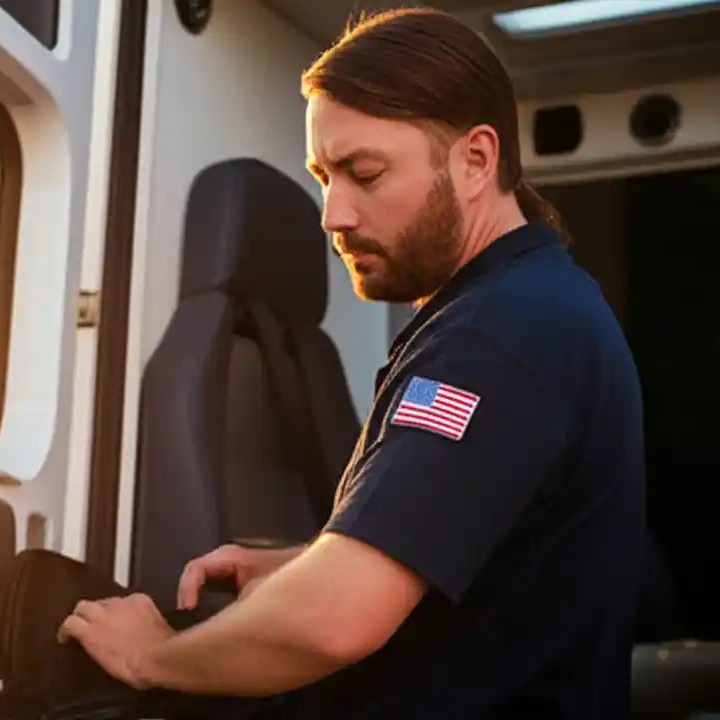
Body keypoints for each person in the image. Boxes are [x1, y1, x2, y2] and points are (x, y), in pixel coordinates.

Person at [57, 7, 647, 718]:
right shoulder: (529, 305)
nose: (333, 213)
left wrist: (150, 656)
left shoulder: (498, 334)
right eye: (323, 174)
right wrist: (310, 564)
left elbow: (335, 622)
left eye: (364, 173)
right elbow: (485, 562)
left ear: (475, 160)